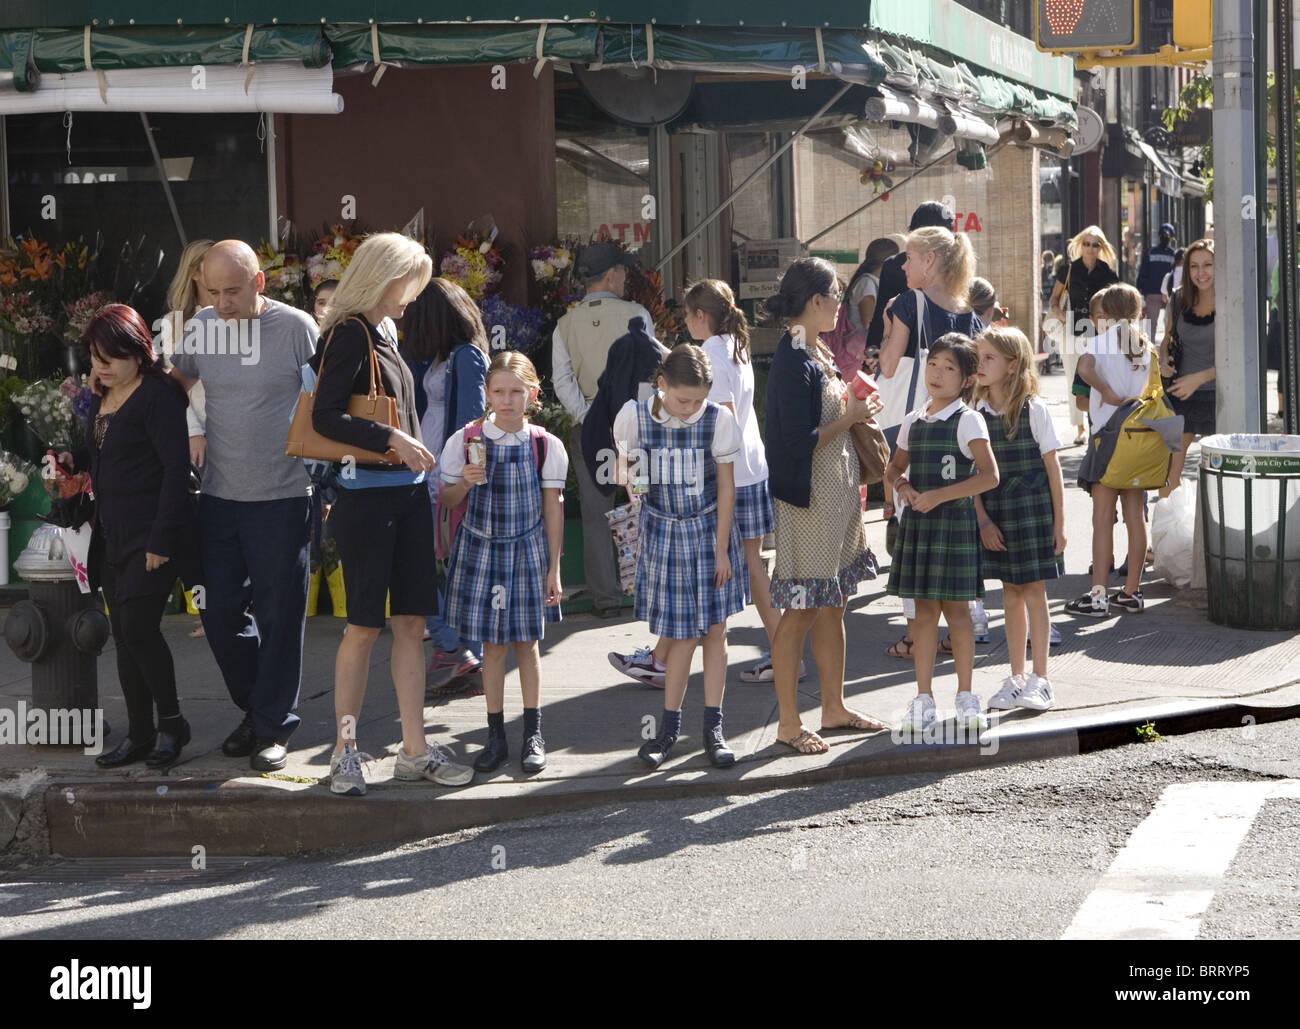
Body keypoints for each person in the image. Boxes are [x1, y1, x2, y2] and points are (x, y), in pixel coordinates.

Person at [309, 232, 473, 797]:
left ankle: (414, 750)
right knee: (361, 627)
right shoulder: (349, 332)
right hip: (368, 498)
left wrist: (403, 449)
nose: (413, 296)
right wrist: (392, 438)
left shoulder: (383, 333)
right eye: (410, 282)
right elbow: (325, 418)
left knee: (410, 625)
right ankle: (344, 751)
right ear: (384, 276)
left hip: (404, 496)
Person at [170, 240, 316, 772]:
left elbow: (326, 397)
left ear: (259, 283)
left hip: (282, 497)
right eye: (212, 291)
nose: (221, 302)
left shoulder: (297, 327)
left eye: (232, 291)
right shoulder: (201, 326)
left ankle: (274, 725)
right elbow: (174, 386)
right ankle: (257, 710)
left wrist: (328, 481)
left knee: (281, 617)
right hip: (218, 496)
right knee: (218, 611)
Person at [607, 280, 795, 687]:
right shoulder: (735, 345)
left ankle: (783, 654)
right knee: (745, 568)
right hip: (750, 468)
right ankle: (663, 657)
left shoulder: (711, 351)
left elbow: (718, 416)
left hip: (728, 477)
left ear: (700, 316)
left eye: (688, 315)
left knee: (728, 571)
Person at [764, 258, 886, 755]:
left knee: (834, 603)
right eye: (836, 295)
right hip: (810, 502)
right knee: (802, 610)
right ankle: (788, 723)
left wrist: (855, 404)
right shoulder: (795, 358)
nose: (842, 304)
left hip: (835, 495)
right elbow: (793, 441)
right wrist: (852, 414)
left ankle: (833, 708)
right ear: (815, 301)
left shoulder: (814, 350)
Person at [613, 344, 746, 768]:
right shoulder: (633, 417)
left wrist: (722, 548)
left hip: (709, 530)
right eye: (682, 399)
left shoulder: (718, 419)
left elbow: (726, 487)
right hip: (664, 532)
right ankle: (668, 730)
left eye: (698, 400)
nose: (690, 408)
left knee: (714, 633)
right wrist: (637, 481)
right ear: (662, 383)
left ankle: (713, 729)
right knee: (682, 635)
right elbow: (626, 475)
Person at [80, 305, 199, 769]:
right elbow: (105, 455)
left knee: (140, 631)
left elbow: (176, 472)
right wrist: (73, 461)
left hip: (153, 535)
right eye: (94, 357)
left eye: (111, 357)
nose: (101, 366)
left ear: (138, 353)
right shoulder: (99, 396)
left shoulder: (157, 397)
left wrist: (161, 540)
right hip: (111, 533)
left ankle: (172, 725)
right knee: (125, 639)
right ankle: (141, 732)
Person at [440, 352, 567, 774]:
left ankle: (533, 732)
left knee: (528, 645)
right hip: (481, 549)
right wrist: (464, 483)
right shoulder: (467, 439)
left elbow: (553, 509)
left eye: (516, 391)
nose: (507, 400)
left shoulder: (544, 444)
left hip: (527, 550)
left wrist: (554, 568)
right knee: (492, 647)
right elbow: (447, 499)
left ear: (532, 394)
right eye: (499, 391)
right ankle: (495, 734)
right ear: (487, 394)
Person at [884, 334, 999, 733]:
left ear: (967, 379)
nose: (938, 373)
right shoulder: (913, 420)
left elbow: (989, 475)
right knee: (924, 616)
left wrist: (939, 496)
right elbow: (893, 468)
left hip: (953, 525)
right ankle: (923, 697)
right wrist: (905, 490)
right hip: (921, 524)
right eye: (934, 363)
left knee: (958, 613)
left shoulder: (969, 419)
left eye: (950, 368)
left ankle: (966, 696)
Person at [878, 225, 983, 621]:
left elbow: (889, 365)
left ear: (930, 260)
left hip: (919, 427)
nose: (903, 264)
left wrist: (889, 327)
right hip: (960, 429)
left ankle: (914, 627)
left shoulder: (908, 303)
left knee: (913, 521)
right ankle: (971, 616)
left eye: (909, 256)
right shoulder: (969, 313)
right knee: (957, 519)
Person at [551, 241, 654, 618]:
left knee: (597, 511)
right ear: (611, 274)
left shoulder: (565, 323)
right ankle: (649, 585)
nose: (626, 277)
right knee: (644, 503)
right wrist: (635, 415)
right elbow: (650, 369)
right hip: (638, 425)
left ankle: (606, 599)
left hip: (591, 426)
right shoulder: (637, 314)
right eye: (623, 271)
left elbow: (562, 381)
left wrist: (588, 415)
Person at [401, 277, 489, 690]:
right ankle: (464, 654)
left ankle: (453, 647)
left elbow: (472, 423)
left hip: (446, 474)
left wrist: (462, 476)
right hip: (435, 468)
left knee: (424, 567)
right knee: (448, 569)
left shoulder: (463, 357)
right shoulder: (443, 358)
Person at [972, 327, 1066, 714]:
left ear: (1011, 366)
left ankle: (1040, 679)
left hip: (1032, 512)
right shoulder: (975, 413)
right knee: (1010, 593)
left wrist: (1060, 524)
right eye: (979, 357)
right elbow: (972, 475)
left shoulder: (1035, 410)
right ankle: (1015, 677)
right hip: (996, 514)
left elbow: (1054, 468)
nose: (980, 364)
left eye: (989, 358)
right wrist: (982, 521)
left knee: (1034, 593)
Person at [1067, 284, 1154, 617]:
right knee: (1136, 517)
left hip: (1107, 437)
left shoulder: (1100, 342)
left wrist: (1106, 391)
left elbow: (1086, 370)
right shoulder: (1144, 345)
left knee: (1102, 519)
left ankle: (1099, 594)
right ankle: (1132, 591)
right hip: (1138, 438)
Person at [157, 238, 213, 639]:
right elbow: (171, 387)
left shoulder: (237, 316)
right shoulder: (177, 322)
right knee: (201, 530)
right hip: (198, 433)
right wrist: (193, 430)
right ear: (195, 272)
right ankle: (212, 611)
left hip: (235, 429)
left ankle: (228, 609)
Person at [1050, 226, 1120, 444]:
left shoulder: (1107, 272)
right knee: (1074, 379)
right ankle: (1079, 427)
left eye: (1095, 244)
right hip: (1073, 332)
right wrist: (1061, 315)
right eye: (1087, 244)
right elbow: (1054, 300)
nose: (1090, 248)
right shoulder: (1069, 269)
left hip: (1099, 334)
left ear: (1101, 247)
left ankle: (1097, 422)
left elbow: (1117, 301)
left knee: (1097, 376)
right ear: (1081, 245)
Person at [1159, 239, 1216, 497]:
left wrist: (1200, 378)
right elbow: (1167, 338)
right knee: (1168, 477)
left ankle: (1215, 534)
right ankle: (1167, 534)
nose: (1200, 272)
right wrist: (1163, 361)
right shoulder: (1179, 297)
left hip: (1221, 396)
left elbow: (1239, 357)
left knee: (1218, 477)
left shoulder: (1231, 298)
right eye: (1194, 266)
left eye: (1207, 265)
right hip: (1181, 394)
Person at [864, 200, 956, 356]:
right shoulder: (954, 265)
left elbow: (881, 315)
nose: (905, 266)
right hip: (943, 351)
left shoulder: (893, 265)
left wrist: (872, 351)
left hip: (900, 352)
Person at [1137, 223, 1177, 335]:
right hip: (1169, 293)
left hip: (1152, 292)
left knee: (1151, 324)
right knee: (1170, 323)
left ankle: (1150, 349)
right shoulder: (1173, 254)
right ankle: (1169, 347)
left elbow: (1143, 271)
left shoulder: (1150, 252)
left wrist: (1141, 289)